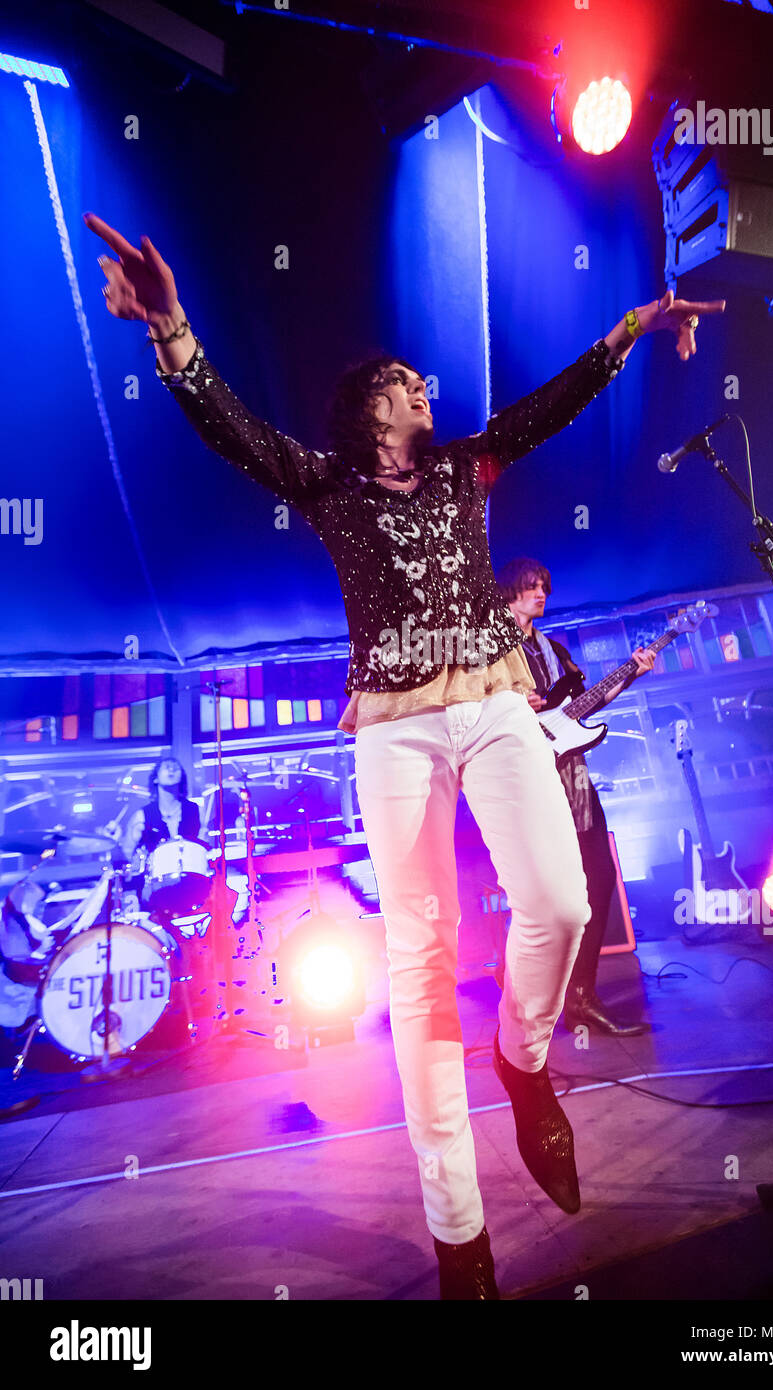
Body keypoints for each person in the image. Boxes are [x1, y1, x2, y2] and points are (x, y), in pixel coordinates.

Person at [84, 210, 723, 1299]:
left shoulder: (464, 467)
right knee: (419, 962)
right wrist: (173, 334)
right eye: (406, 383)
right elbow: (232, 428)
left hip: (490, 702)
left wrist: (626, 330)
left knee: (559, 904)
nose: (428, 387)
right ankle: (457, 1236)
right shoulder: (325, 483)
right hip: (390, 726)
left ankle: (521, 1064)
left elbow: (548, 406)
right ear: (368, 411)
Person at [499, 558, 656, 1036]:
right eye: (532, 586)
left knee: (600, 876)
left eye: (545, 585)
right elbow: (468, 705)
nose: (541, 593)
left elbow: (582, 704)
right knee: (541, 896)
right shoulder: (490, 648)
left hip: (574, 780)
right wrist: (508, 704)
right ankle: (525, 1001)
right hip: (525, 782)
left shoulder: (556, 651)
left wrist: (632, 671)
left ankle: (582, 996)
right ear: (511, 590)